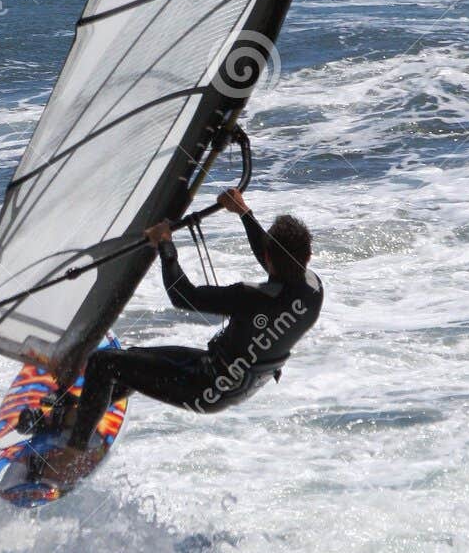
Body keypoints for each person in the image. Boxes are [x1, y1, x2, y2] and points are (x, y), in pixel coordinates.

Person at [41, 188, 324, 485]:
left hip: (202, 386)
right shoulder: (313, 289)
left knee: (104, 363)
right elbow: (276, 261)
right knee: (131, 360)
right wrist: (244, 213)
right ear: (308, 256)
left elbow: (183, 296)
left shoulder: (251, 297)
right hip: (238, 381)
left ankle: (72, 455)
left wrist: (165, 245)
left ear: (269, 257)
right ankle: (77, 417)